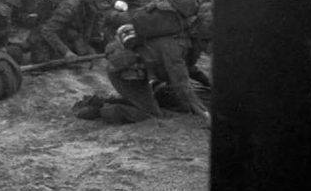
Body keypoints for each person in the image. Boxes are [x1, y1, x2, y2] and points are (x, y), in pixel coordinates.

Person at [73, 23, 210, 124]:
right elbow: (181, 81)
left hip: (137, 73)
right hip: (127, 76)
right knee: (151, 115)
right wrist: (203, 112)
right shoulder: (175, 47)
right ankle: (104, 111)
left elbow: (189, 69)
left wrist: (208, 83)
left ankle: (105, 102)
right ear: (201, 40)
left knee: (148, 102)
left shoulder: (183, 45)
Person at [39, 0, 113, 62]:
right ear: (91, 1)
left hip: (73, 41)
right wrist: (66, 52)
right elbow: (47, 31)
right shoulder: (70, 8)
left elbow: (88, 33)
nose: (101, 9)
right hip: (51, 41)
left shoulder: (91, 10)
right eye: (100, 4)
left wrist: (87, 47)